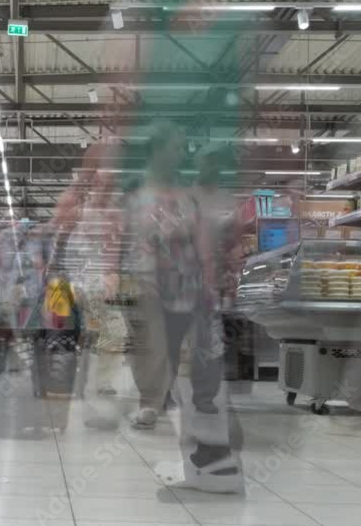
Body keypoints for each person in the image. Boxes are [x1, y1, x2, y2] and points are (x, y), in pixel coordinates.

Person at [121, 123, 243, 493]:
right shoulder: (137, 197)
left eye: (181, 148)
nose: (180, 154)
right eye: (174, 147)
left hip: (188, 295)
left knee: (200, 371)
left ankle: (209, 462)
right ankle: (195, 457)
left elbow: (202, 243)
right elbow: (131, 245)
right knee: (164, 365)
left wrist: (209, 283)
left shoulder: (187, 198)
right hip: (151, 292)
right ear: (157, 151)